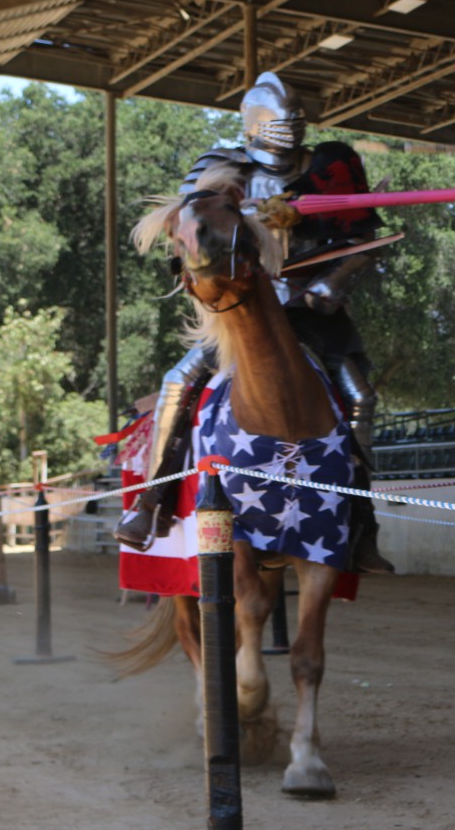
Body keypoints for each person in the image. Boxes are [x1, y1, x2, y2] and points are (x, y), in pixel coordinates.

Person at [115, 72, 394, 574]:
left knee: (359, 394)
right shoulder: (221, 168)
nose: (291, 131)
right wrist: (255, 220)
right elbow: (193, 231)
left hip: (311, 311)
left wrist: (334, 280)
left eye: (296, 123)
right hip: (245, 303)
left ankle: (361, 519)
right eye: (281, 124)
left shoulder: (333, 166)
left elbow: (361, 242)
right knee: (179, 379)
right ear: (255, 125)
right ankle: (152, 502)